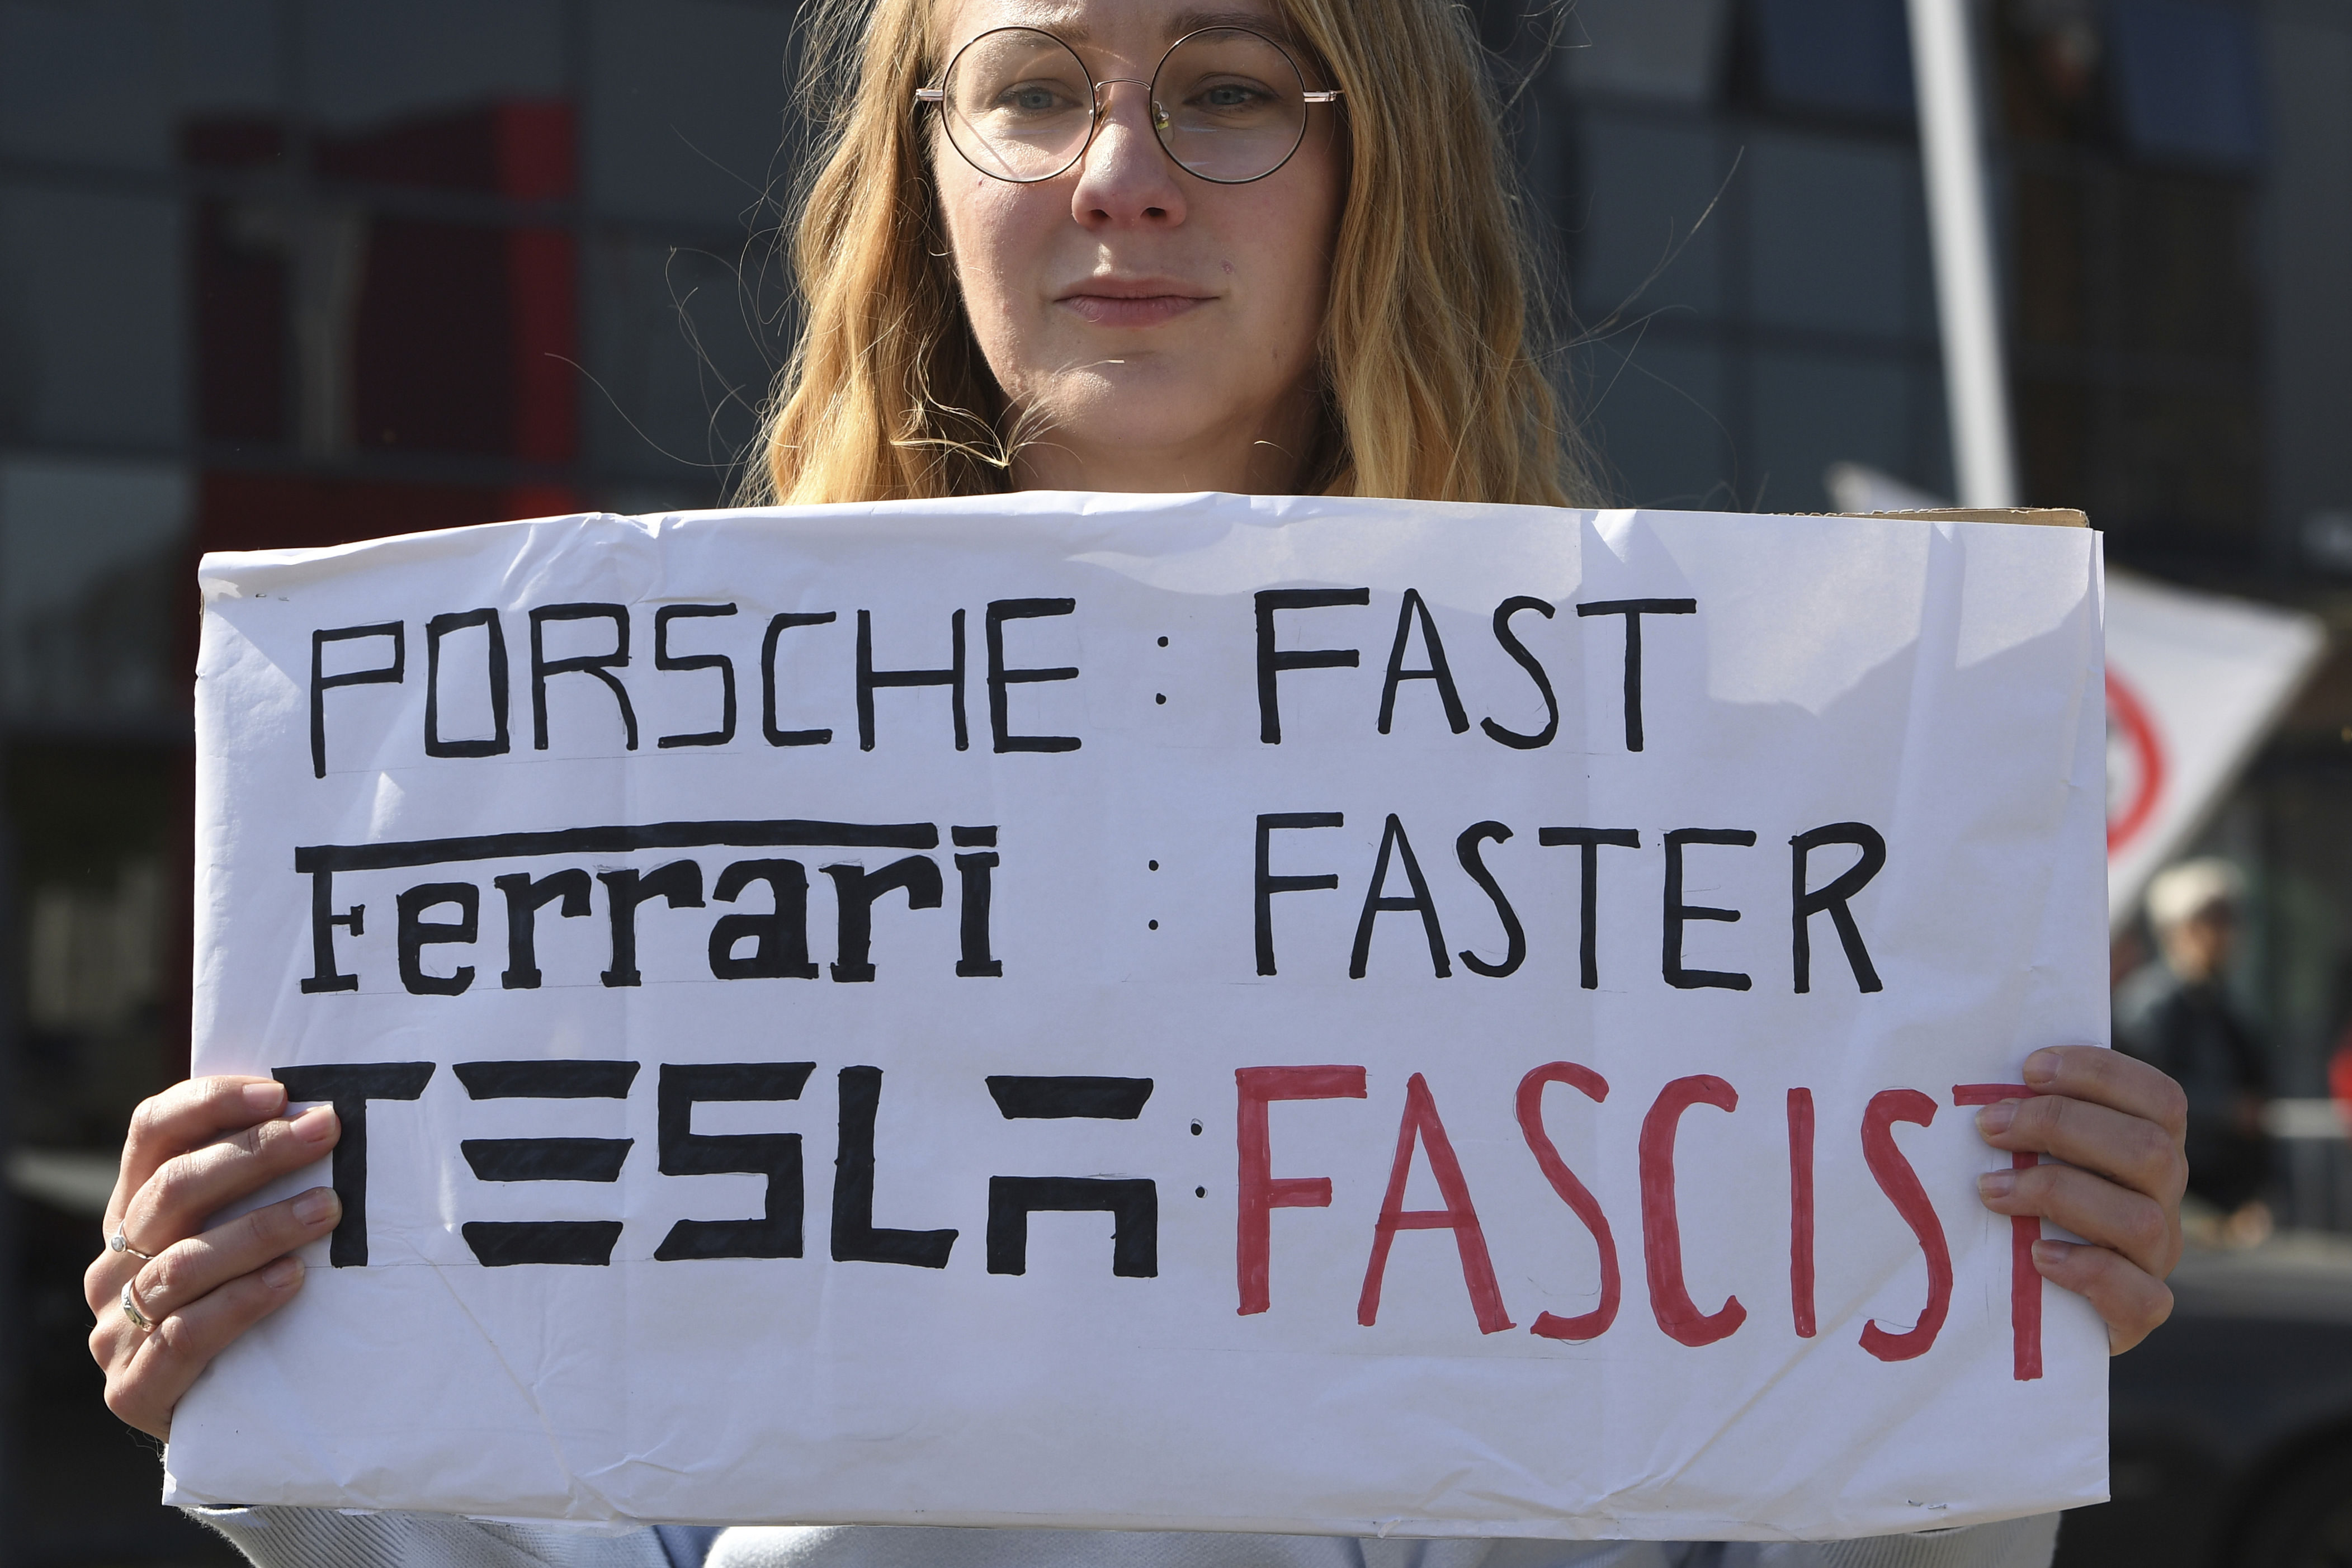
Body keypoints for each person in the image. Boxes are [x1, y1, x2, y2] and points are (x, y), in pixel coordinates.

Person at [87, 1, 2189, 1564]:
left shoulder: (1686, 799)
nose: (1122, 171)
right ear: (928, 163)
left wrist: (1991, 1351)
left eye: (1228, 84)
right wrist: (279, 1391)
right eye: (1030, 87)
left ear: (1378, 161)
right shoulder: (638, 775)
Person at [2114, 858, 2270, 1244]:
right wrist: (2226, 1109)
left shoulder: (2227, 1008)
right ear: (2176, 931)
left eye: (2228, 921)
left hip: (2222, 1202)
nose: (2222, 934)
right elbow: (2143, 1094)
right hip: (2168, 1195)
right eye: (2209, 921)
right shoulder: (2147, 1007)